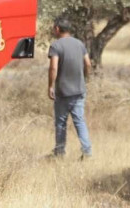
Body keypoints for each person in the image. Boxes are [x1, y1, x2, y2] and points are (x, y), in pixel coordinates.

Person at [47, 17, 92, 159]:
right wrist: (85, 79)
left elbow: (53, 68)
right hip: (79, 90)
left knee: (61, 123)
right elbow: (88, 64)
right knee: (80, 121)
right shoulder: (80, 44)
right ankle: (87, 151)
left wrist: (50, 86)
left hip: (63, 92)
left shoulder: (56, 46)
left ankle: (60, 152)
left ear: (57, 29)